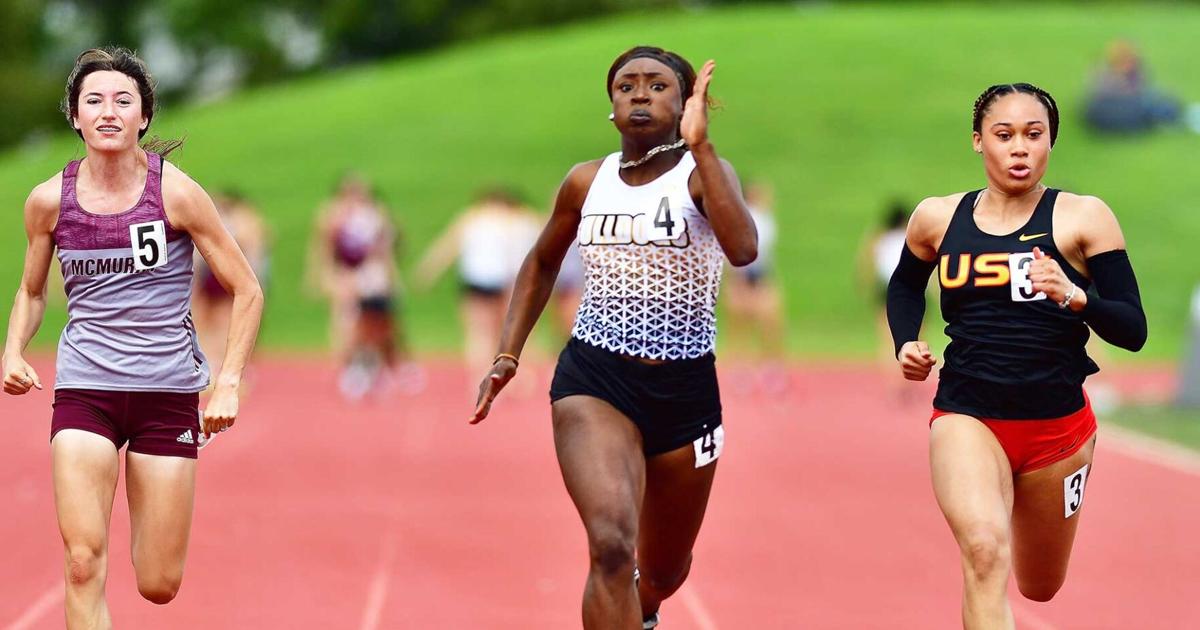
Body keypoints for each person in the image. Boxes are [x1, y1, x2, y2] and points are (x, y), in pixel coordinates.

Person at [471, 46, 757, 629]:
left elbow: (744, 249)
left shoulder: (704, 175)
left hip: (685, 392)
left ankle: (644, 609)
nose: (640, 94)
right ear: (611, 106)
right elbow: (542, 261)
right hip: (595, 378)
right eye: (627, 86)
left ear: (685, 104)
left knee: (663, 572)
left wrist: (701, 146)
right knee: (610, 545)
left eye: (657, 86)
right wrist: (508, 353)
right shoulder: (585, 182)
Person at [2, 48, 263, 629]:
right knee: (80, 560)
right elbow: (33, 290)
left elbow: (247, 289)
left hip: (165, 394)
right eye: (94, 100)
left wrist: (227, 384)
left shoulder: (176, 194)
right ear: (75, 116)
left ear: (144, 115)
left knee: (158, 582)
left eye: (124, 100)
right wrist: (12, 349)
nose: (109, 111)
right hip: (84, 391)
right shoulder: (49, 201)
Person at [887, 83, 1146, 628]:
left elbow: (1133, 328)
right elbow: (906, 285)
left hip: (1059, 430)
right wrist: (906, 340)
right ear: (979, 141)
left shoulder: (1084, 218)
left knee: (1039, 585)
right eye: (1004, 135)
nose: (1020, 148)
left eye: (1034, 134)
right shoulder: (937, 217)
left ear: (1051, 141)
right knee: (983, 551)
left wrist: (1075, 296)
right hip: (967, 413)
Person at [415, 186, 540, 377]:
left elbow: (446, 248)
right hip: (508, 281)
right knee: (512, 331)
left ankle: (480, 376)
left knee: (479, 333)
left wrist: (427, 272)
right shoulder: (521, 220)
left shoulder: (472, 218)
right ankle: (519, 377)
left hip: (477, 281)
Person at [307, 174, 407, 399]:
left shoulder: (377, 215)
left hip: (372, 276)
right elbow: (324, 248)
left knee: (375, 326)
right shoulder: (332, 214)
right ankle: (350, 368)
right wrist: (322, 276)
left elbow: (385, 251)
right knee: (346, 324)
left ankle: (373, 369)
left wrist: (392, 278)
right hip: (345, 275)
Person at [192, 189, 269, 385]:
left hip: (228, 275)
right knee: (207, 320)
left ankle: (226, 364)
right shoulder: (216, 219)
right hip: (212, 275)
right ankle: (211, 362)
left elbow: (253, 252)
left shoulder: (245, 221)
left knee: (228, 319)